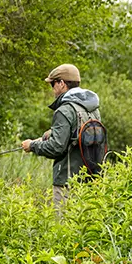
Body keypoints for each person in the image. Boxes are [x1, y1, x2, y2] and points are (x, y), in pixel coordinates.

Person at [20, 63, 101, 209]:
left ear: (62, 83)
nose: (52, 89)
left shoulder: (64, 110)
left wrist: (32, 146)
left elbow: (56, 147)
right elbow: (76, 134)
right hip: (90, 181)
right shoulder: (92, 109)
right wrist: (46, 137)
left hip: (67, 183)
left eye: (53, 84)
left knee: (63, 222)